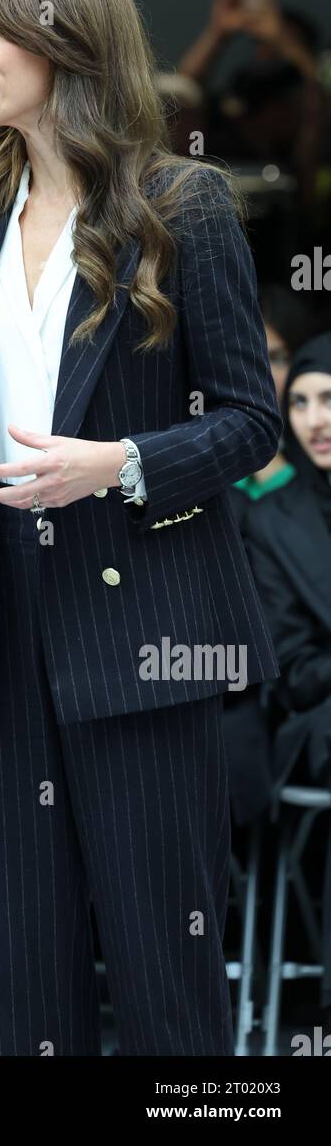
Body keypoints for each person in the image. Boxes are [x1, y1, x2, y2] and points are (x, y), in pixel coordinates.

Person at [0, 0, 282, 1056]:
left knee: (165, 981)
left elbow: (251, 421)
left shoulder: (180, 203)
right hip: (0, 644)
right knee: (18, 987)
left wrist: (123, 462)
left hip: (143, 641)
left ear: (60, 42)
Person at [243, 331, 331, 1014]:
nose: (314, 419)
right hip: (315, 729)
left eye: (328, 399)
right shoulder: (274, 520)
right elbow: (293, 671)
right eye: (299, 402)